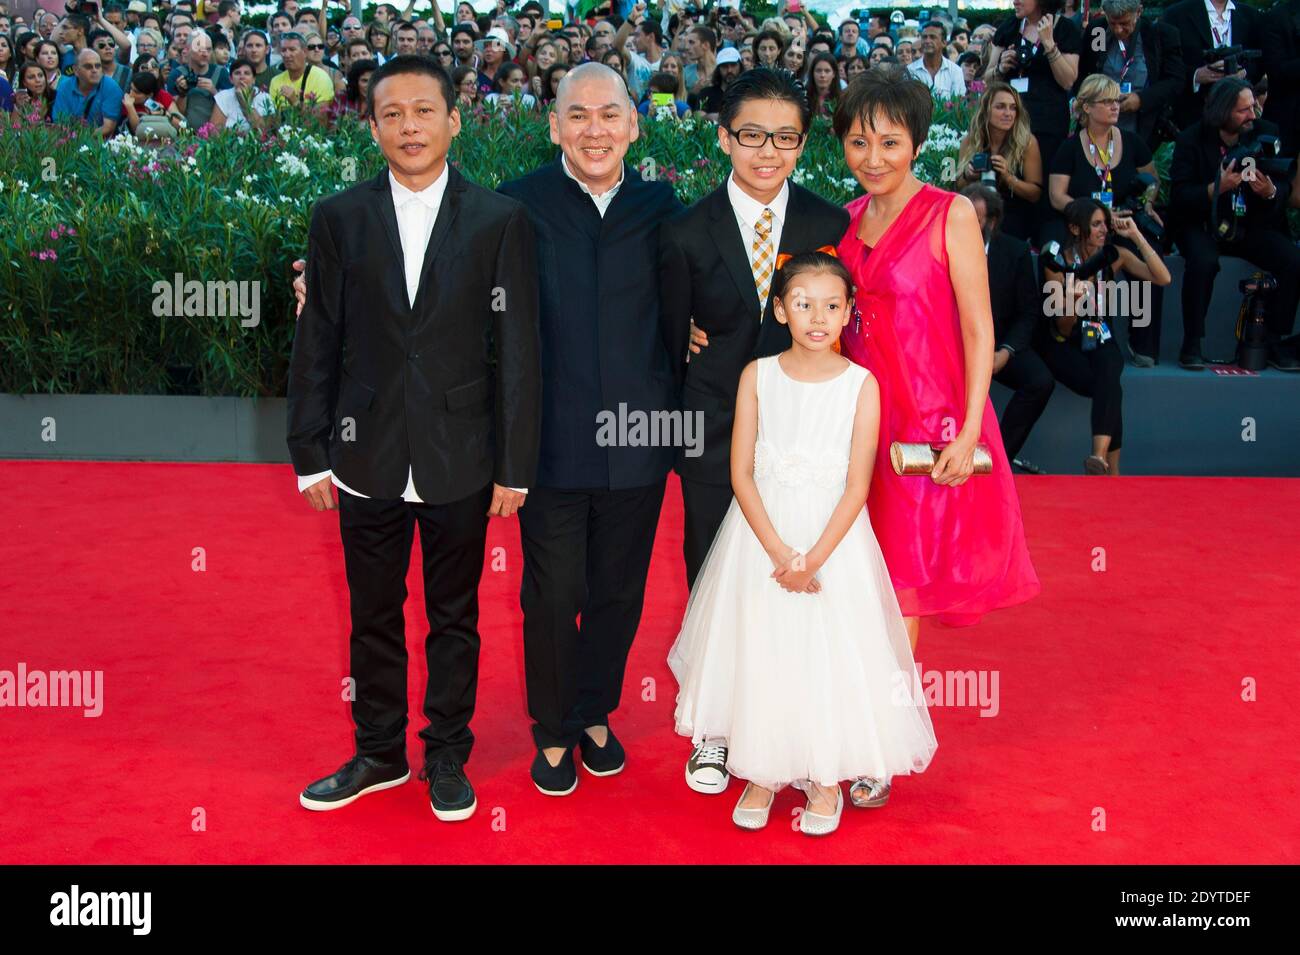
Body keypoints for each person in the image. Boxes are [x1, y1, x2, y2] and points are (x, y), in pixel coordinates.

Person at [288, 55, 541, 822]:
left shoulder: (499, 219)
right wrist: (309, 449)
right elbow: (318, 335)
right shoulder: (339, 217)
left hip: (460, 453)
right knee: (372, 614)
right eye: (391, 114)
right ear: (372, 128)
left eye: (423, 111)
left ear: (453, 120)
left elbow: (518, 349)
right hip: (364, 451)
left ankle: (448, 753)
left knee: (454, 615)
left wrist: (515, 464)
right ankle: (378, 752)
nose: (409, 126)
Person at [667, 250, 937, 836]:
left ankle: (824, 776)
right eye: (803, 303)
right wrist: (777, 553)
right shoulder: (757, 376)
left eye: (832, 306)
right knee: (764, 646)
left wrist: (811, 559)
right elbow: (741, 473)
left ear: (847, 312)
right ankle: (761, 769)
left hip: (832, 541)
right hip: (760, 536)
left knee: (827, 652)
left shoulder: (861, 385)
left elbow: (858, 485)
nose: (818, 317)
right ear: (781, 309)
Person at [833, 66, 1040, 806]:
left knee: (903, 590)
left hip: (927, 427)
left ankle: (881, 747)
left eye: (890, 141)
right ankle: (841, 725)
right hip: (854, 423)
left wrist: (970, 428)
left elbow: (980, 329)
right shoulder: (843, 220)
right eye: (859, 142)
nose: (874, 157)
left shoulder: (951, 214)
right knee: (854, 580)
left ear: (917, 143)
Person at [489, 62, 684, 797]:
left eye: (609, 115)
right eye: (578, 115)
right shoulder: (516, 204)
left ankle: (595, 711)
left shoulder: (663, 207)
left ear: (634, 125)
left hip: (641, 432)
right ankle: (553, 726)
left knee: (618, 590)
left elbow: (717, 282)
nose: (593, 130)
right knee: (551, 592)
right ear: (554, 127)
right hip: (551, 438)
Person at [661, 68, 851, 796]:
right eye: (751, 135)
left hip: (808, 436)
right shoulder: (684, 231)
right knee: (716, 578)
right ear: (723, 138)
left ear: (802, 143)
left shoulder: (830, 225)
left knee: (803, 581)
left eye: (784, 138)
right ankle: (714, 728)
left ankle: (799, 726)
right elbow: (666, 335)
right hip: (713, 432)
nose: (767, 151)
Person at [1167, 78, 1300, 371]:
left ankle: (1273, 340)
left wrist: (1270, 192)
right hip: (1202, 223)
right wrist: (1217, 188)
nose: (1252, 115)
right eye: (1243, 110)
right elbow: (1180, 196)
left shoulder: (1266, 132)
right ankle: (1192, 343)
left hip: (1248, 223)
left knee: (1292, 260)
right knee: (1203, 262)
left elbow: (1284, 185)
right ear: (1223, 112)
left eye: (1253, 107)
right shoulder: (1192, 138)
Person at [1039, 198, 1171, 473]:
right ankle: (1112, 472)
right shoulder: (1057, 262)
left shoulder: (1114, 254)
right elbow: (1062, 328)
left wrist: (1136, 235)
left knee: (1109, 366)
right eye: (1096, 224)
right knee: (1110, 387)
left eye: (1105, 224)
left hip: (1099, 335)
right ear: (1075, 228)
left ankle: (1098, 458)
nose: (1104, 230)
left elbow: (1163, 278)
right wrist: (1073, 300)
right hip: (1064, 342)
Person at [961, 184, 1056, 465]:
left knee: (1040, 382)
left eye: (975, 219)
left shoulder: (1015, 251)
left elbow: (1028, 312)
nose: (965, 225)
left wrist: (1006, 351)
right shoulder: (943, 248)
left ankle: (999, 459)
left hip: (999, 345)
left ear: (991, 222)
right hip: (956, 344)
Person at [1046, 73, 1162, 250]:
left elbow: (1153, 181)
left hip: (1123, 222)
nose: (1115, 106)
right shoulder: (1070, 147)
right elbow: (1056, 197)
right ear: (1087, 107)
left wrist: (1147, 203)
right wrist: (1095, 215)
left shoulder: (1133, 142)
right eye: (1107, 102)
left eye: (1117, 101)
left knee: (1148, 246)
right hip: (1082, 223)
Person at [984, 0, 1081, 175]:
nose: (1015, 1)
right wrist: (1000, 68)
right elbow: (988, 79)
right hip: (1010, 123)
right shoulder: (1009, 27)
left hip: (1047, 125)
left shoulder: (1064, 28)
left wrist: (1049, 45)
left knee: (1043, 179)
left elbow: (1067, 81)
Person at [1076, 0, 1186, 153]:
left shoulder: (1159, 35)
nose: (1118, 30)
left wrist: (1141, 99)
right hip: (1099, 122)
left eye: (1124, 23)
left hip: (1142, 124)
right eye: (1112, 23)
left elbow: (1175, 81)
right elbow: (1088, 69)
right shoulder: (1099, 30)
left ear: (1138, 12)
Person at [955, 81, 1044, 242]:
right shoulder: (971, 141)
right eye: (1000, 107)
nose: (1008, 113)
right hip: (978, 216)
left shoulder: (1027, 143)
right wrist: (969, 175)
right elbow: (958, 188)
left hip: (1014, 217)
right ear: (986, 110)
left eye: (1013, 108)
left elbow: (1035, 194)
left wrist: (1009, 178)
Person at [1160, 0, 1263, 131]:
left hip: (1239, 116)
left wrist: (1244, 73)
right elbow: (1164, 64)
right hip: (1192, 114)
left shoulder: (1251, 16)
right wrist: (1196, 75)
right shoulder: (1175, 14)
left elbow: (1261, 61)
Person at [52, 46, 122, 137]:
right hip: (69, 140)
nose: (94, 70)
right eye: (88, 67)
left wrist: (79, 137)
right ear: (76, 70)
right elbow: (59, 123)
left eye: (98, 66)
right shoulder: (65, 87)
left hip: (99, 142)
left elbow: (108, 128)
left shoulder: (111, 87)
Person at [268, 31, 333, 107]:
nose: (287, 55)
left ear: (305, 52)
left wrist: (295, 102)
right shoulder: (275, 81)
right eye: (283, 50)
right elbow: (272, 114)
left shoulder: (320, 78)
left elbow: (322, 114)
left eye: (292, 49)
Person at [210, 56, 273, 132]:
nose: (242, 77)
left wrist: (245, 103)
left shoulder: (265, 98)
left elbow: (264, 130)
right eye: (237, 73)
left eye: (247, 73)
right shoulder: (223, 96)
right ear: (231, 79)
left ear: (253, 79)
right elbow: (214, 131)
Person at [907, 19, 966, 99]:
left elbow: (958, 102)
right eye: (924, 37)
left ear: (944, 43)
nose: (927, 41)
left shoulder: (955, 71)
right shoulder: (910, 71)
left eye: (932, 37)